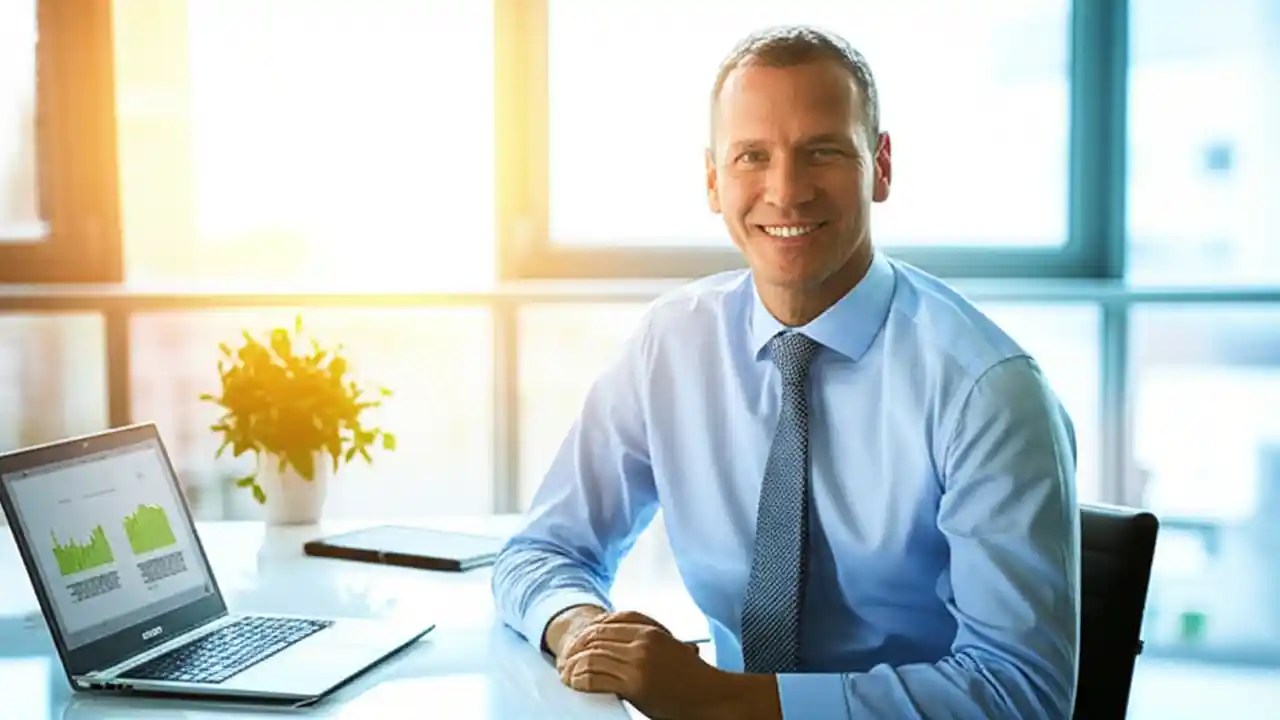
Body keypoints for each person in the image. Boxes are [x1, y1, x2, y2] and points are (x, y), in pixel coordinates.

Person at [492, 24, 1079, 720]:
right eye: (751, 156)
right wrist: (587, 632)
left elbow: (1024, 694)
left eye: (822, 151)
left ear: (881, 166)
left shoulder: (987, 390)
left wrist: (722, 700)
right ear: (713, 180)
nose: (786, 190)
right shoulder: (670, 346)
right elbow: (542, 552)